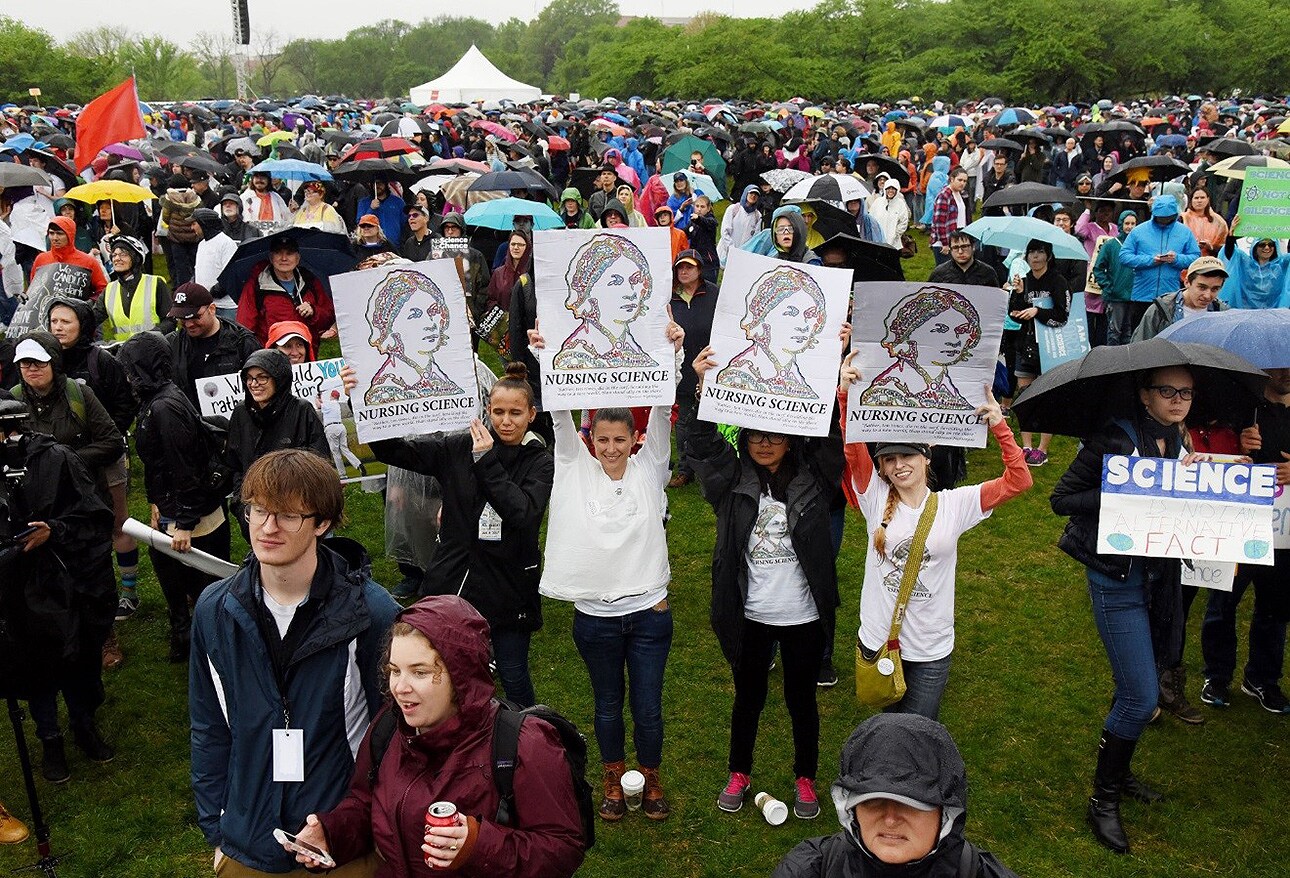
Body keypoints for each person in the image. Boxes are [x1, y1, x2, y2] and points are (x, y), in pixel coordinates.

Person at [189, 449, 400, 876]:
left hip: (342, 841)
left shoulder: (372, 614)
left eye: (288, 515)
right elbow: (209, 725)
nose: (268, 527)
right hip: (247, 840)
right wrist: (218, 828)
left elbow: (397, 736)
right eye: (258, 510)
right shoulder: (214, 610)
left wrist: (360, 825)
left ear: (323, 523)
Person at [284, 595, 585, 877]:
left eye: (420, 672)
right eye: (395, 670)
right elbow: (366, 804)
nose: (400, 688)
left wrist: (477, 844)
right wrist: (332, 833)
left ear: (461, 675)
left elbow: (562, 849)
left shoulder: (524, 745)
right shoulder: (388, 728)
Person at [531, 316, 684, 823]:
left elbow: (663, 409)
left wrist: (672, 356)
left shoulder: (650, 467)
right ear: (590, 439)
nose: (612, 449)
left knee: (649, 707)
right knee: (606, 706)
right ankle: (613, 779)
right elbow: (557, 414)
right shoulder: (573, 467)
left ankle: (651, 777)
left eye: (621, 439)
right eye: (603, 440)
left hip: (649, 615)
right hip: (594, 619)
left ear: (635, 438)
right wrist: (547, 355)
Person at [1050, 365, 1201, 854]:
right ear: (1144, 394)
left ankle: (1122, 774)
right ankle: (1103, 800)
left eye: (1186, 393)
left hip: (1158, 580)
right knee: (1140, 695)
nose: (1177, 400)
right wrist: (1121, 488)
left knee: (1134, 685)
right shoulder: (1114, 439)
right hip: (1116, 581)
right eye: (1167, 391)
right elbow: (1061, 499)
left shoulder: (1179, 442)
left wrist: (1202, 478)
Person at [691, 343, 843, 822]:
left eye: (775, 435)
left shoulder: (815, 480)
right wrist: (700, 386)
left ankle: (805, 777)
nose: (764, 443)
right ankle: (739, 772)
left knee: (802, 701)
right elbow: (700, 445)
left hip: (804, 616)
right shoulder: (731, 483)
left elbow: (829, 439)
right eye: (755, 435)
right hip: (750, 615)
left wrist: (829, 370)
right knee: (748, 699)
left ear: (790, 439)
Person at [840, 355, 1031, 718]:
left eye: (907, 455)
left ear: (927, 458)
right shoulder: (873, 496)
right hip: (879, 641)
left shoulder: (956, 504)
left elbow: (1019, 481)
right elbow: (852, 447)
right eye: (889, 459)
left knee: (918, 735)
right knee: (887, 734)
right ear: (881, 467)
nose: (899, 465)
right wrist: (845, 394)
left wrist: (999, 426)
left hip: (930, 650)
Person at [365, 362, 553, 702]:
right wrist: (368, 405)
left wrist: (486, 461)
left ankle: (526, 729)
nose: (506, 421)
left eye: (515, 413)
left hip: (507, 586)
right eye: (498, 412)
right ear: (487, 410)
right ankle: (457, 727)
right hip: (453, 578)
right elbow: (396, 452)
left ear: (531, 414)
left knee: (512, 672)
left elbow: (522, 513)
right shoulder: (457, 447)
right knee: (448, 666)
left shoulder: (539, 461)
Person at [0, 389, 116, 786]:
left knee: (78, 659)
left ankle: (84, 724)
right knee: (34, 669)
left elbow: (95, 519)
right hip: (15, 591)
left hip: (66, 583)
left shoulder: (57, 459)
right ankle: (49, 739)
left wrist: (55, 531)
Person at [772, 713, 1021, 878]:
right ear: (851, 810)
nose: (890, 819)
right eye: (872, 801)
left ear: (946, 813)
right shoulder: (808, 869)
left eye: (911, 804)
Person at [117, 331, 232, 663]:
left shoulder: (164, 407)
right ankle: (184, 637)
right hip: (173, 509)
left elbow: (186, 470)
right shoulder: (157, 399)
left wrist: (184, 524)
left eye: (130, 368)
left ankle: (208, 649)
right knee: (173, 581)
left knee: (202, 589)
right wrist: (155, 501)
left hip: (192, 518)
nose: (127, 376)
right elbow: (160, 466)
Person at [44, 297, 140, 634]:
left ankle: (129, 591)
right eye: (54, 321)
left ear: (83, 325)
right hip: (59, 464)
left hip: (104, 458)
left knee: (118, 523)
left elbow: (125, 403)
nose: (58, 328)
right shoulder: (44, 360)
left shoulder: (101, 361)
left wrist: (105, 435)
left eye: (66, 322)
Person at [1201, 365, 1290, 714]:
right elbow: (1212, 457)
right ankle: (1217, 676)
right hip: (1238, 522)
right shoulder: (1241, 409)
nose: (1288, 372)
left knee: (1276, 607)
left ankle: (1262, 679)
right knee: (1223, 602)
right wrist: (1239, 447)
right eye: (1282, 366)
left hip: (1283, 531)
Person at [226, 349, 329, 524]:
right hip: (256, 511)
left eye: (262, 377)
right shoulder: (241, 412)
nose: (254, 384)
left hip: (296, 511)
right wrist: (242, 507)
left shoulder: (301, 410)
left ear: (279, 379)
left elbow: (320, 463)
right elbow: (234, 465)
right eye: (249, 378)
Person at [1008, 240, 1071, 467]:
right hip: (1025, 345)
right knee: (1024, 396)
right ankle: (1026, 446)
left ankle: (1042, 448)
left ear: (1048, 256)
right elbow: (1014, 314)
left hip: (1050, 346)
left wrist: (1038, 311)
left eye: (1040, 252)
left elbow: (1062, 315)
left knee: (1047, 396)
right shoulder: (1024, 281)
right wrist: (1018, 295)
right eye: (1031, 252)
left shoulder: (1058, 281)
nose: (1035, 257)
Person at [167, 282, 262, 409]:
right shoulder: (172, 344)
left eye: (195, 317)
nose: (189, 324)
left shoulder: (243, 342)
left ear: (212, 309)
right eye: (182, 319)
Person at [668, 250, 719, 489]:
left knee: (711, 418)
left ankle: (713, 467)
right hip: (682, 368)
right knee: (683, 421)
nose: (684, 271)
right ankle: (684, 469)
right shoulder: (669, 297)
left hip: (710, 367)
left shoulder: (714, 294)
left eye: (689, 267)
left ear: (699, 269)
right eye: (680, 267)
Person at [1119, 194, 1201, 331]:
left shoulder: (1185, 232)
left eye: (1168, 218)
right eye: (1161, 218)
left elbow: (1195, 257)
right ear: (1154, 214)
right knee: (1140, 334)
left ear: (1175, 215)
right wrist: (1151, 260)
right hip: (1142, 295)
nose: (1164, 221)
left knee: (1166, 335)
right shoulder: (1138, 231)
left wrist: (1176, 259)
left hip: (1170, 296)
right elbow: (1124, 256)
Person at [237, 235, 336, 347]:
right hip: (272, 353)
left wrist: (313, 311)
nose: (284, 258)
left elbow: (328, 317)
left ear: (297, 258)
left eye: (289, 253)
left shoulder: (310, 280)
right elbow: (245, 327)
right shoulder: (257, 285)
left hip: (305, 352)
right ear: (271, 257)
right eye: (278, 253)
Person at [1131, 256, 1230, 341]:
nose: (1207, 295)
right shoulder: (1161, 309)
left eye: (1215, 289)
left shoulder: (1223, 313)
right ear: (1187, 282)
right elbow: (1140, 345)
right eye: (1202, 287)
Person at [30, 216, 109, 298]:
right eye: (51, 233)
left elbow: (102, 290)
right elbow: (33, 290)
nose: (55, 238)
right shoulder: (41, 259)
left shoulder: (88, 262)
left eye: (60, 233)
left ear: (70, 235)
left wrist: (90, 302)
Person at [1093, 211, 1138, 345]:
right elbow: (1098, 268)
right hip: (1116, 296)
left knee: (1129, 332)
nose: (1130, 227)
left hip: (1134, 296)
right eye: (1127, 223)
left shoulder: (1139, 245)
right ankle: (1112, 357)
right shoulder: (1111, 245)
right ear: (1121, 224)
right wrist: (1108, 287)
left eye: (1133, 224)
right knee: (1114, 331)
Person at [1219, 235, 1290, 310]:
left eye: (1271, 244)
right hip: (1245, 312)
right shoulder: (1245, 263)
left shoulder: (1282, 263)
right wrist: (1230, 237)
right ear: (1255, 247)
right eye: (1262, 244)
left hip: (1276, 313)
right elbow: (1231, 253)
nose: (1267, 247)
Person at [927, 231, 1000, 286]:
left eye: (964, 246)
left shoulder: (987, 273)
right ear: (950, 249)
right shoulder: (939, 273)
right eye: (955, 247)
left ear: (973, 247)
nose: (960, 251)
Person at [929, 168, 971, 264]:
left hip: (957, 238)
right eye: (960, 180)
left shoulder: (960, 194)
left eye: (965, 181)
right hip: (944, 242)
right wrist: (945, 243)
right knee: (945, 271)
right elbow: (939, 222)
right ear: (952, 179)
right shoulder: (944, 195)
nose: (962, 183)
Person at [718, 185, 763, 266]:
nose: (753, 196)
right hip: (727, 250)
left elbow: (756, 236)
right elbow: (725, 230)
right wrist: (731, 247)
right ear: (746, 194)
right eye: (751, 193)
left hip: (743, 254)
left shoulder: (757, 215)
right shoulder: (733, 209)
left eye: (756, 195)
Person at [869, 178, 910, 248]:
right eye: (888, 188)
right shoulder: (878, 202)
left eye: (893, 189)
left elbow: (904, 221)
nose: (891, 191)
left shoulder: (900, 204)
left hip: (894, 243)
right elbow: (871, 218)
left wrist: (896, 234)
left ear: (897, 190)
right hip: (877, 239)